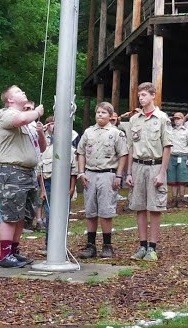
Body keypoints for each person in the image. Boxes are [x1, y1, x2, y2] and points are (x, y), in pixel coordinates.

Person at [0, 85, 46, 268]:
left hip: (27, 173)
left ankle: (14, 252)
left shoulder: (28, 122)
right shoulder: (7, 114)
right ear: (10, 100)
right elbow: (21, 119)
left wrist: (40, 133)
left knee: (21, 216)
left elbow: (42, 148)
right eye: (18, 91)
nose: (23, 92)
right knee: (10, 216)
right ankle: (4, 256)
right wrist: (37, 112)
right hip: (11, 172)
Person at [120, 82, 172, 261]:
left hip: (155, 165)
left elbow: (167, 146)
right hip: (137, 166)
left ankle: (152, 247)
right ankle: (142, 245)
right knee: (139, 206)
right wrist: (129, 172)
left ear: (153, 95)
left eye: (144, 95)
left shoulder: (162, 118)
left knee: (155, 207)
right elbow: (131, 147)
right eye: (139, 96)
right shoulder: (134, 120)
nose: (141, 98)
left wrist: (162, 173)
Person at [76, 101, 128, 260]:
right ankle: (90, 245)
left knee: (106, 211)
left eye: (104, 112)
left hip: (108, 174)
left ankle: (107, 246)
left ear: (111, 116)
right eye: (98, 112)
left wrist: (119, 175)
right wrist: (81, 172)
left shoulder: (116, 133)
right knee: (90, 211)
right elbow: (81, 152)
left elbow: (123, 155)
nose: (100, 115)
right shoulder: (88, 132)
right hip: (90, 174)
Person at [167, 112, 188, 208]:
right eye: (175, 119)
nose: (176, 121)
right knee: (172, 179)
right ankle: (174, 199)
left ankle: (181, 199)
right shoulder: (170, 131)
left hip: (182, 156)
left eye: (178, 119)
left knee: (182, 179)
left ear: (182, 120)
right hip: (172, 156)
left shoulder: (187, 131)